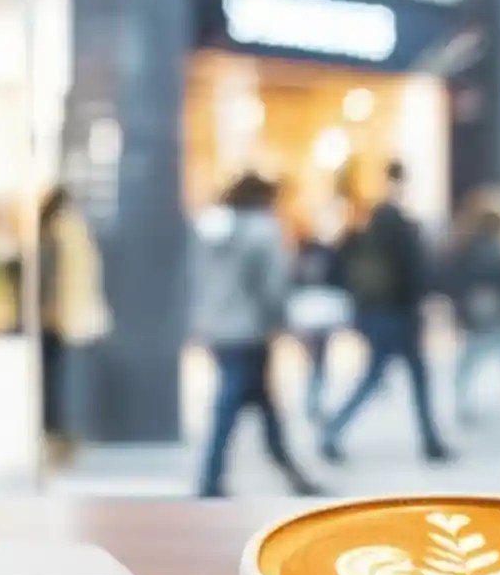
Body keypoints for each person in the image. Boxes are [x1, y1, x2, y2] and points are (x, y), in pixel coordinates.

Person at [193, 173, 323, 498]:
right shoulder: (263, 231)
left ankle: (288, 470)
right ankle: (212, 477)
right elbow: (272, 285)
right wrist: (282, 323)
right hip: (248, 330)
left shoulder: (214, 227)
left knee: (262, 403)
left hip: (218, 328)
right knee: (232, 403)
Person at [321, 160, 454, 464]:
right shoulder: (397, 222)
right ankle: (429, 441)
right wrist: (422, 299)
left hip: (378, 311)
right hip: (398, 313)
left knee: (384, 376)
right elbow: (412, 271)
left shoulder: (366, 227)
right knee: (391, 377)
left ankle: (429, 440)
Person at [37, 186, 111, 467]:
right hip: (61, 317)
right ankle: (57, 436)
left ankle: (58, 435)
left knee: (55, 382)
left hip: (59, 317)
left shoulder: (56, 231)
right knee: (56, 382)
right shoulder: (67, 231)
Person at [447, 188, 500, 427]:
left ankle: (466, 405)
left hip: (492, 320)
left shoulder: (477, 247)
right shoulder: (489, 249)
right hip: (493, 320)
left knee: (475, 366)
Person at [286, 210, 349, 422]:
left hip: (307, 311)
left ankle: (312, 398)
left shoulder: (300, 256)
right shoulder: (326, 254)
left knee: (313, 359)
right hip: (320, 311)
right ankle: (314, 399)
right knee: (319, 359)